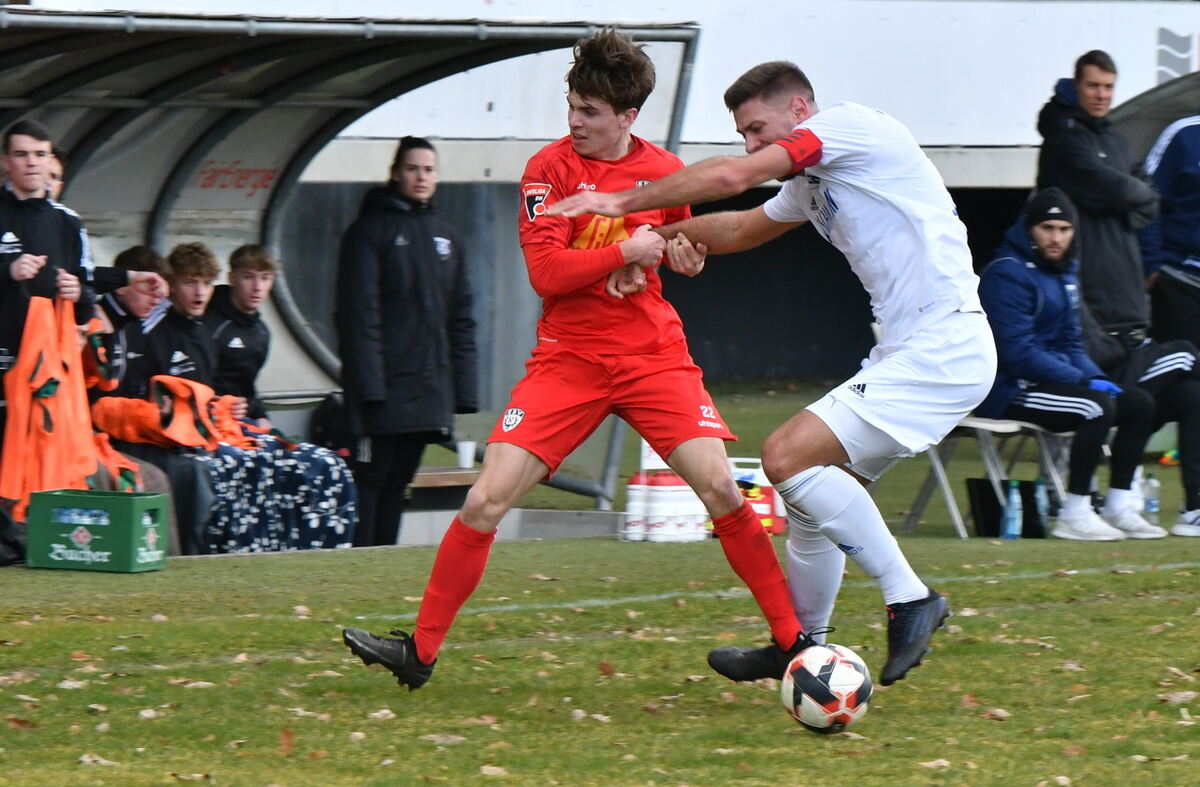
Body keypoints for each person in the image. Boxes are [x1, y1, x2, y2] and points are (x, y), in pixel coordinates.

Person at [340, 31, 807, 691]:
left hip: (653, 356)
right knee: (483, 499)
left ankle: (793, 642)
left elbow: (675, 247)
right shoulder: (548, 169)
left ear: (627, 117)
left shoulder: (664, 172)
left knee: (724, 490)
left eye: (590, 111)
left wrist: (683, 257)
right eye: (573, 105)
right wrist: (629, 251)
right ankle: (419, 651)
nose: (575, 121)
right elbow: (547, 272)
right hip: (570, 359)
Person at [547, 60, 997, 686]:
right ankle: (801, 644)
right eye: (744, 134)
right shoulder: (812, 182)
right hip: (912, 350)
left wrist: (621, 200)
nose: (752, 145)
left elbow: (733, 179)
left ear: (800, 110)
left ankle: (910, 597)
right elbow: (738, 226)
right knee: (814, 500)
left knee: (785, 458)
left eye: (758, 128)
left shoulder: (848, 129)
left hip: (944, 344)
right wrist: (653, 239)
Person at [1038, 52, 1200, 539]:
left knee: (1183, 392)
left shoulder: (1111, 139)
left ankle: (1145, 503)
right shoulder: (1066, 140)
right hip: (1094, 308)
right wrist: (1132, 201)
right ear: (1077, 85)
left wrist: (1129, 195)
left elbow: (1138, 193)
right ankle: (1078, 505)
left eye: (1109, 87)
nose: (1103, 95)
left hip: (1124, 303)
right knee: (1157, 378)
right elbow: (1131, 191)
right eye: (1094, 86)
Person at [976, 188, 1163, 540]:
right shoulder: (1006, 274)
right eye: (1047, 227)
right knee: (1096, 407)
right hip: (1007, 389)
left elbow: (1070, 342)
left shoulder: (1063, 273)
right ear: (1029, 228)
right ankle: (1074, 512)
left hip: (1048, 381)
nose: (1056, 237)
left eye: (1064, 229)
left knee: (1138, 402)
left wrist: (1091, 375)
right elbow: (1016, 353)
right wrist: (1082, 381)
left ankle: (1119, 505)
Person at [334, 136, 479, 547]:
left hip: (427, 387)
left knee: (399, 481)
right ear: (396, 173)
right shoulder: (368, 233)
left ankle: (383, 567)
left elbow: (462, 315)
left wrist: (462, 390)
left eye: (429, 169)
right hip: (381, 391)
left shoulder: (447, 236)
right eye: (413, 168)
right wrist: (369, 390)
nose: (421, 176)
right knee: (372, 478)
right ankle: (362, 562)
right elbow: (358, 319)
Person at [1140, 112, 1200, 349]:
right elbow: (1146, 200)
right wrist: (1151, 267)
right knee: (1181, 379)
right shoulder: (1182, 134)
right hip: (1179, 282)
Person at [201, 243, 275, 427]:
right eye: (248, 277)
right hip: (206, 420)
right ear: (232, 278)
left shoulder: (261, 332)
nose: (257, 287)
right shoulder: (207, 322)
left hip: (240, 420)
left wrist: (259, 414)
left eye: (265, 278)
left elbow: (247, 387)